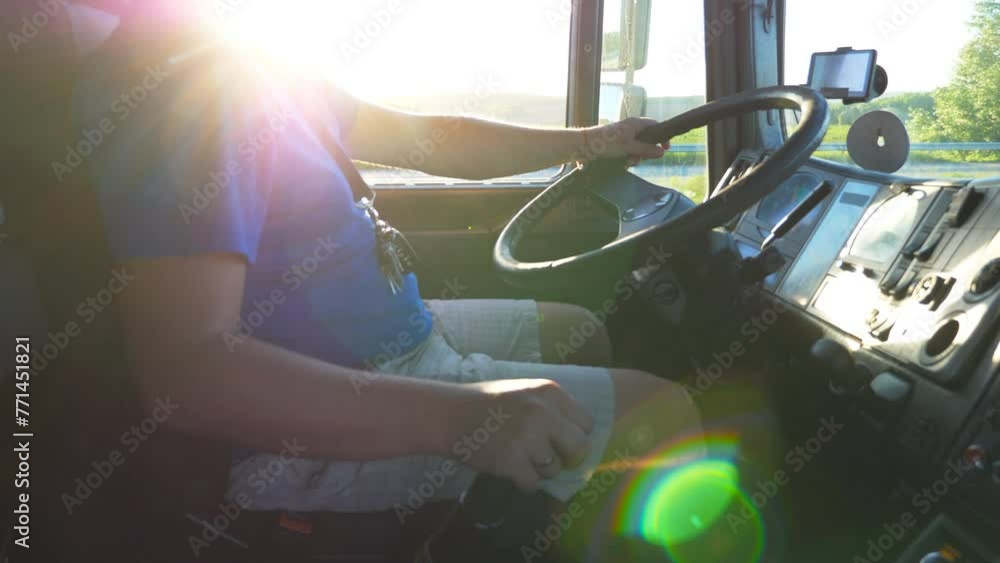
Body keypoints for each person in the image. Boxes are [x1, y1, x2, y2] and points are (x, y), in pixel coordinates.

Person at [68, 1, 704, 516]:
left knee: (580, 331)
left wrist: (590, 142)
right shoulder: (172, 92)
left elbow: (425, 140)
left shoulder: (249, 65)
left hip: (394, 333)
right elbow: (187, 373)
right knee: (666, 413)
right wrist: (463, 417)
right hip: (302, 424)